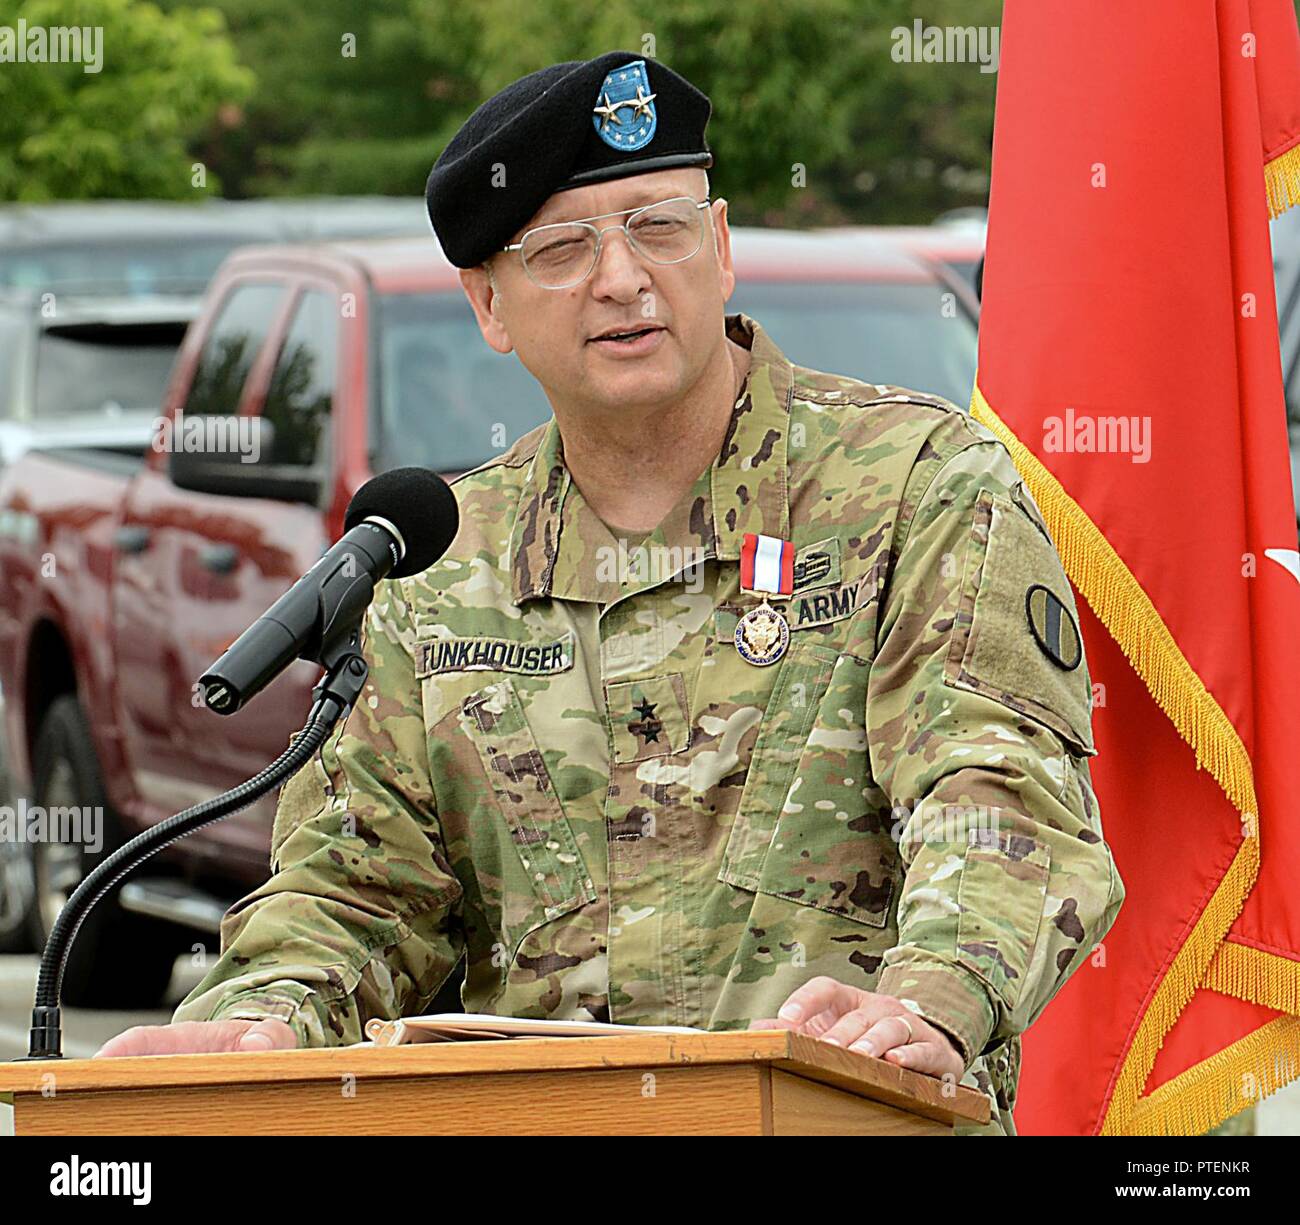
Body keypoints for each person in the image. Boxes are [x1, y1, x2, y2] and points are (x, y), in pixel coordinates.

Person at [96, 51, 1124, 1136]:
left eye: (659, 228)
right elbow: (356, 894)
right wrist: (266, 1017)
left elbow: (997, 796)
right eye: (564, 248)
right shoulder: (437, 567)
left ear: (720, 249)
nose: (623, 278)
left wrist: (929, 1000)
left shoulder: (919, 487)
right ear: (488, 304)